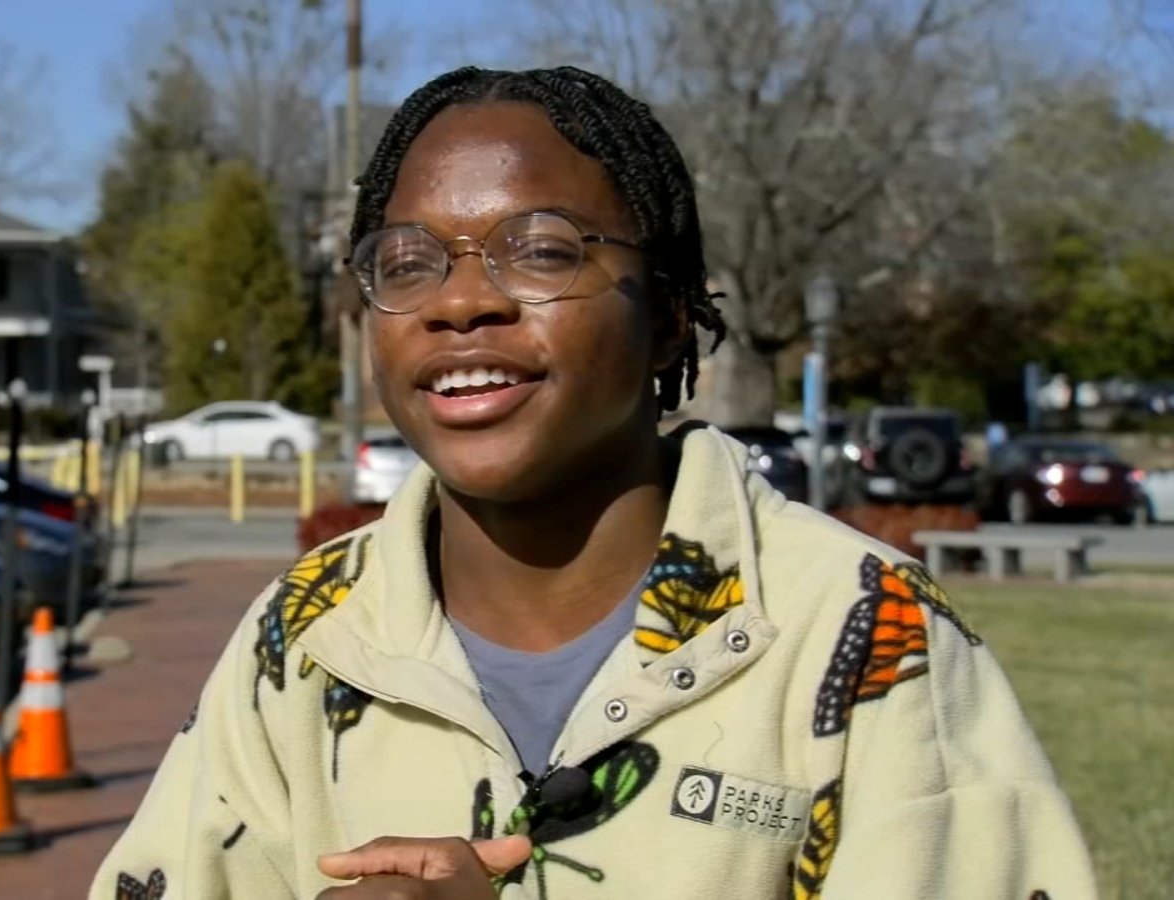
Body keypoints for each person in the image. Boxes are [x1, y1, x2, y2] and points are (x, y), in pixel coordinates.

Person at [91, 65, 1096, 900]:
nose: (461, 301)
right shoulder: (304, 640)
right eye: (407, 262)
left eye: (541, 251)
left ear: (666, 313)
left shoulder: (863, 630)